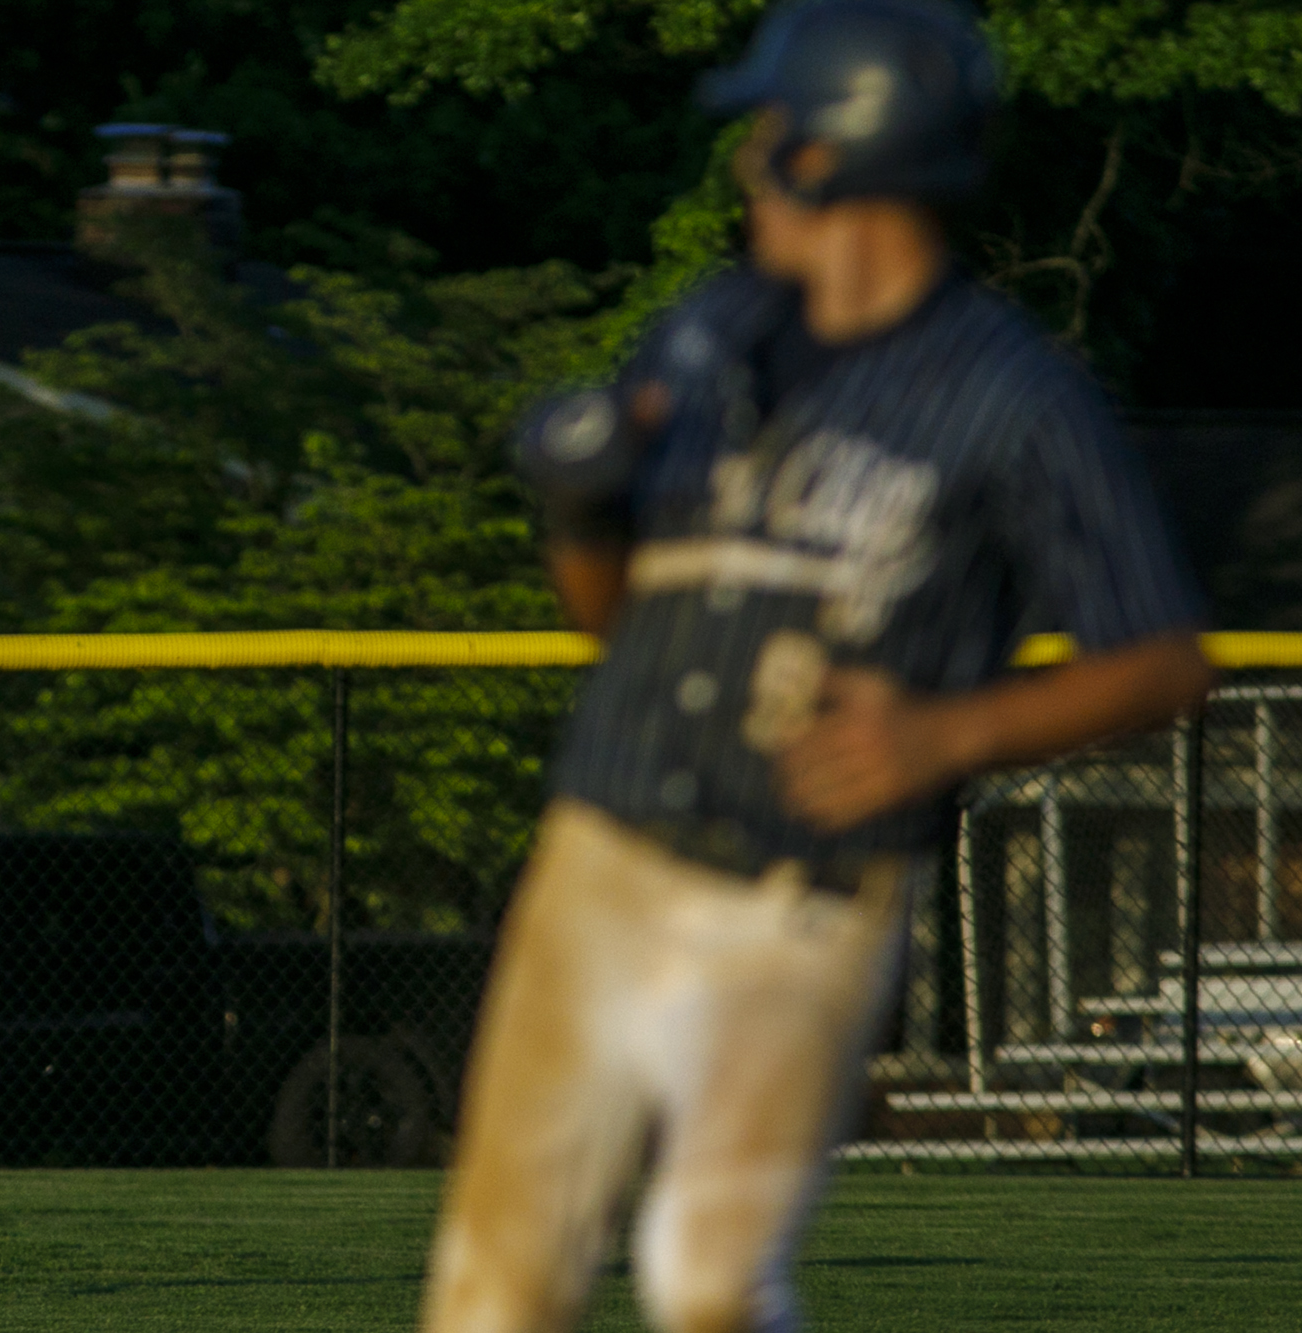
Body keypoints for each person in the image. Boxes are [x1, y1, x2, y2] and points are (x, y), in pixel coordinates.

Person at [422, 2, 1214, 1331]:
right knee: (493, 1291)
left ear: (830, 155)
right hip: (606, 845)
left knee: (707, 1280)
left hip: (805, 901)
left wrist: (946, 737)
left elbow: (1164, 661)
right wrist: (578, 514)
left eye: (768, 129)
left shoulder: (1016, 396)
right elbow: (609, 617)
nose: (748, 160)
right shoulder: (708, 330)